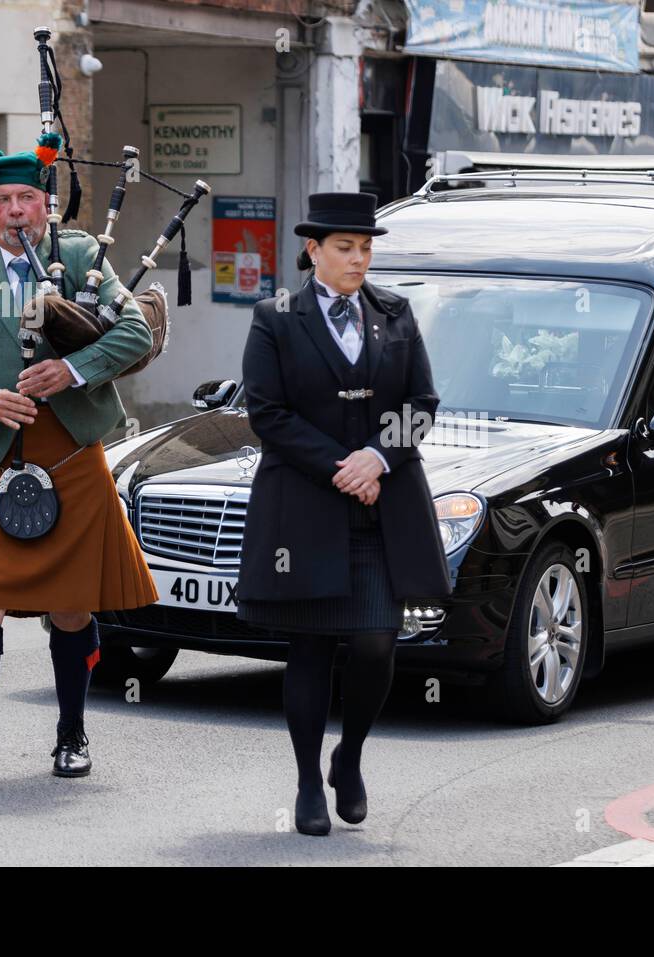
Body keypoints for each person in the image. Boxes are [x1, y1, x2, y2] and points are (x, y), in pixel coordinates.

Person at [0, 146, 159, 786]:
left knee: (72, 607)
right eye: (1, 203)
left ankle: (72, 734)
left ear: (44, 206)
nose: (15, 210)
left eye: (25, 198)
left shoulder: (81, 259)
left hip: (73, 452)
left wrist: (71, 370)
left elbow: (135, 333)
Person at [236, 191, 452, 835]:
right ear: (313, 250)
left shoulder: (396, 312)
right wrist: (341, 465)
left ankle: (349, 757)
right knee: (308, 648)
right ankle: (307, 781)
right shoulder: (274, 317)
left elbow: (422, 401)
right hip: (304, 508)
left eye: (365, 248)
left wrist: (378, 458)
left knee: (377, 643)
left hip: (383, 507)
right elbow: (266, 414)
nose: (359, 259)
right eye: (344, 248)